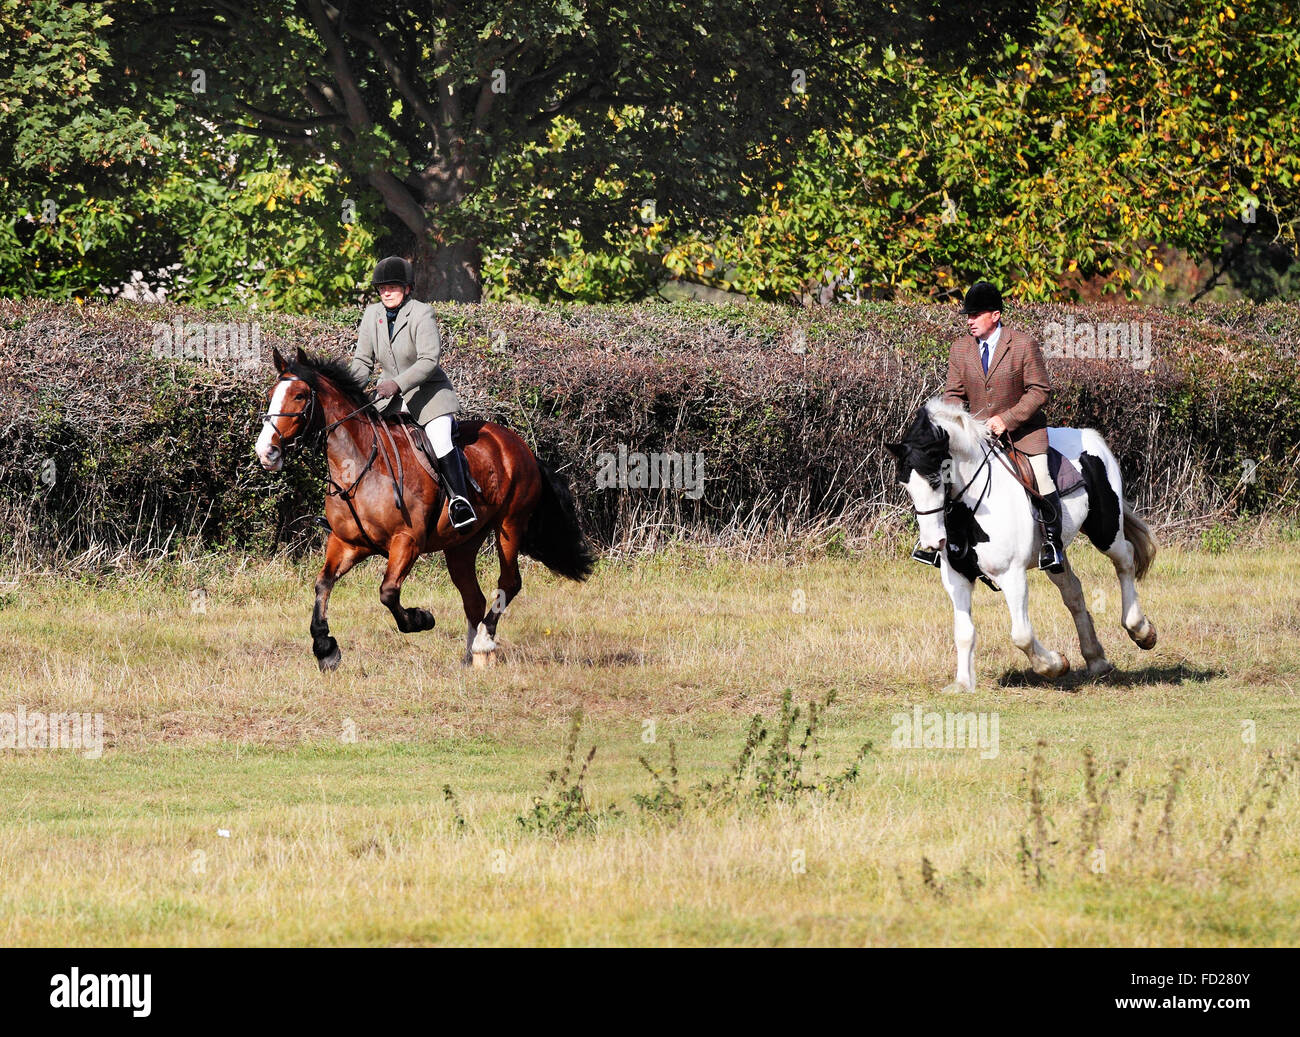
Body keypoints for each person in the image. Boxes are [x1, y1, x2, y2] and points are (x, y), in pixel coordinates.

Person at [943, 280, 1064, 572]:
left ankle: (1051, 545)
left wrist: (1006, 419)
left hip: (1023, 434)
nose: (969, 321)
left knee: (1041, 477)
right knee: (945, 476)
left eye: (975, 315)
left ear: (995, 315)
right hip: (979, 436)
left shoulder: (1022, 344)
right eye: (967, 316)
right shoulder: (960, 349)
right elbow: (953, 395)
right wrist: (963, 424)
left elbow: (1039, 390)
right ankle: (946, 543)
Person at [349, 256, 476, 530]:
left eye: (392, 286)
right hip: (389, 403)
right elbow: (362, 361)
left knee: (440, 440)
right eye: (382, 288)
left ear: (407, 288)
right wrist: (348, 390)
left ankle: (460, 501)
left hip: (429, 398)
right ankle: (353, 510)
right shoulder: (372, 315)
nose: (386, 292)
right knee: (362, 440)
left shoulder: (421, 313)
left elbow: (429, 360)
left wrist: (397, 383)